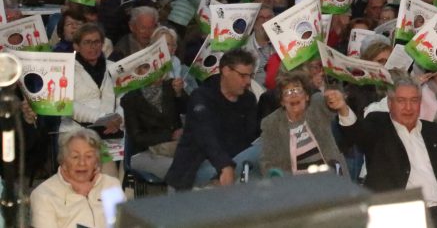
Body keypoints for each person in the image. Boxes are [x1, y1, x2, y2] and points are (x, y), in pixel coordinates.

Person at [335, 74, 437, 228]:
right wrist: (343, 109)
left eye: (414, 101)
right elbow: (357, 134)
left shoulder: (434, 131)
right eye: (401, 101)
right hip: (400, 214)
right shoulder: (379, 124)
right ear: (390, 103)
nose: (408, 107)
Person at [164, 48, 261, 189]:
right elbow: (206, 135)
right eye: (242, 76)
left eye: (250, 76)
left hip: (233, 163)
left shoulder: (248, 99)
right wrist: (225, 166)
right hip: (196, 168)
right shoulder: (201, 97)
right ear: (226, 71)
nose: (247, 81)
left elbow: (249, 137)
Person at [260, 71, 349, 176]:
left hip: (331, 177)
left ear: (307, 96)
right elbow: (267, 163)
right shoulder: (271, 123)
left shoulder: (317, 105)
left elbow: (333, 102)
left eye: (298, 90)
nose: (293, 95)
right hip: (297, 186)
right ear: (282, 102)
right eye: (287, 92)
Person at [30, 128, 121, 228]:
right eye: (75, 157)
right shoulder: (43, 195)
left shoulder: (111, 185)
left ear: (96, 161)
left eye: (89, 156)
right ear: (63, 161)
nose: (82, 163)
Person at [121, 55, 188, 181]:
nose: (153, 70)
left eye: (156, 65)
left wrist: (179, 93)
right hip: (145, 152)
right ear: (138, 72)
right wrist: (170, 135)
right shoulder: (130, 99)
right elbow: (137, 137)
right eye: (147, 67)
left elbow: (188, 109)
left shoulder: (171, 87)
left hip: (175, 147)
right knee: (179, 169)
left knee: (199, 162)